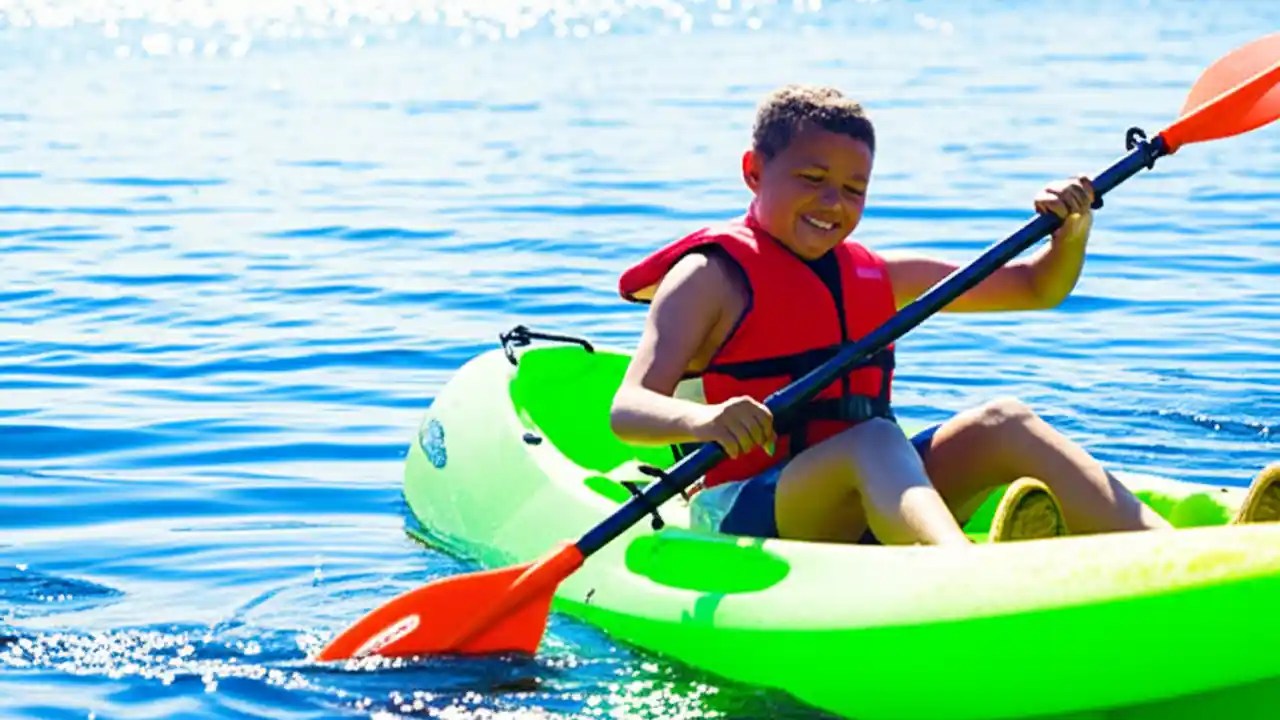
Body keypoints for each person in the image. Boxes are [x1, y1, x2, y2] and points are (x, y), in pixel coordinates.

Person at [608, 84, 1280, 545]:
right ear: (755, 171)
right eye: (812, 180)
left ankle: (1166, 555)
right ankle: (962, 574)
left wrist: (1069, 233)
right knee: (875, 441)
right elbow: (630, 408)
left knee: (1003, 421)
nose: (832, 203)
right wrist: (706, 419)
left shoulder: (874, 274)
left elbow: (1035, 289)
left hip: (862, 497)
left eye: (853, 189)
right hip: (746, 511)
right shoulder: (709, 276)